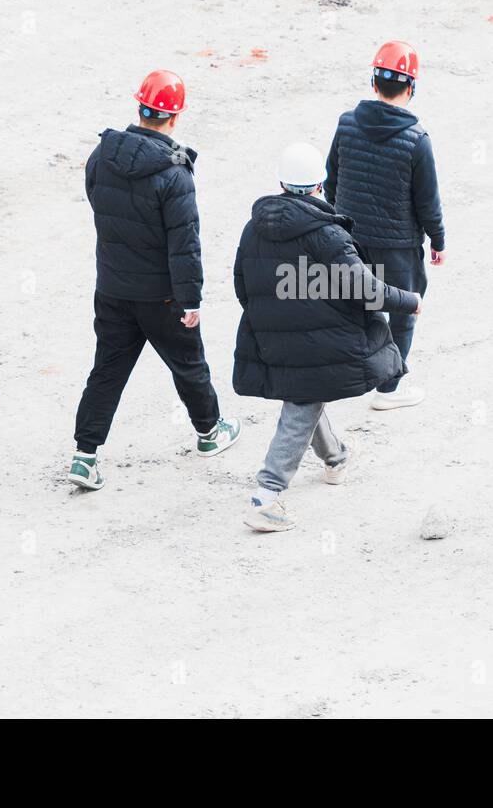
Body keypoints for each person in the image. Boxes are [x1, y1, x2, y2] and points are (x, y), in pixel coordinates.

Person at [232, 142, 422, 531]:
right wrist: (409, 301)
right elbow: (366, 289)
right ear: (321, 184)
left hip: (272, 333)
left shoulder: (254, 228)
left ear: (281, 182)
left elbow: (242, 285)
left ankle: (334, 459)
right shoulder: (327, 235)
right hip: (320, 339)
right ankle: (266, 495)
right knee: (301, 403)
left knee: (306, 392)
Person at [68, 69, 240, 491]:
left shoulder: (100, 156)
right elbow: (185, 245)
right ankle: (208, 432)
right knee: (189, 365)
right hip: (161, 296)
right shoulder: (175, 174)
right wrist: (191, 301)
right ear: (175, 118)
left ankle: (84, 456)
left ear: (139, 106)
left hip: (111, 288)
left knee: (106, 371)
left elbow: (101, 209)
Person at [324, 40, 446, 411]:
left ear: (373, 82)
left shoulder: (346, 124)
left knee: (354, 301)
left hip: (350, 238)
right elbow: (427, 201)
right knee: (403, 308)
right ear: (411, 88)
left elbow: (331, 178)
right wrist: (438, 240)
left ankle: (346, 369)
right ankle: (389, 389)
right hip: (398, 246)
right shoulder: (417, 140)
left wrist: (338, 218)